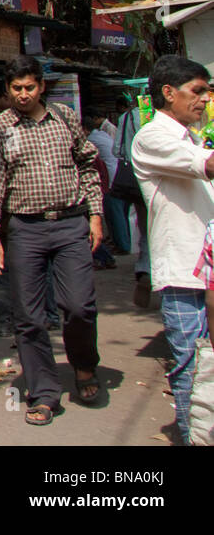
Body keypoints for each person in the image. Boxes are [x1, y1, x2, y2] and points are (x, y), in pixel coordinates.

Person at [0, 56, 105, 427]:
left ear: (41, 87)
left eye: (29, 87)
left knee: (79, 305)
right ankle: (44, 394)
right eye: (16, 89)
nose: (22, 95)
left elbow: (88, 163)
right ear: (7, 90)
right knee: (29, 318)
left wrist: (95, 214)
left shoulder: (65, 118)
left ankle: (84, 366)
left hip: (70, 224)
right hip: (24, 229)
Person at [130, 55, 214, 445]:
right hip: (183, 270)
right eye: (197, 92)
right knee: (192, 364)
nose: (204, 100)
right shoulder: (153, 137)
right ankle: (192, 437)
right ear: (168, 93)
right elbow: (207, 167)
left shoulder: (192, 136)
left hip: (205, 267)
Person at [114, 97, 152, 307]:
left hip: (137, 182)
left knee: (146, 229)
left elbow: (117, 151)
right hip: (161, 182)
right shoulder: (163, 117)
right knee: (164, 230)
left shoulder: (126, 117)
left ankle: (145, 268)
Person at [86, 107, 129, 263]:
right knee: (116, 214)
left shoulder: (91, 140)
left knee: (115, 214)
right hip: (113, 176)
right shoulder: (101, 134)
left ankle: (122, 245)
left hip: (111, 180)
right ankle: (120, 243)